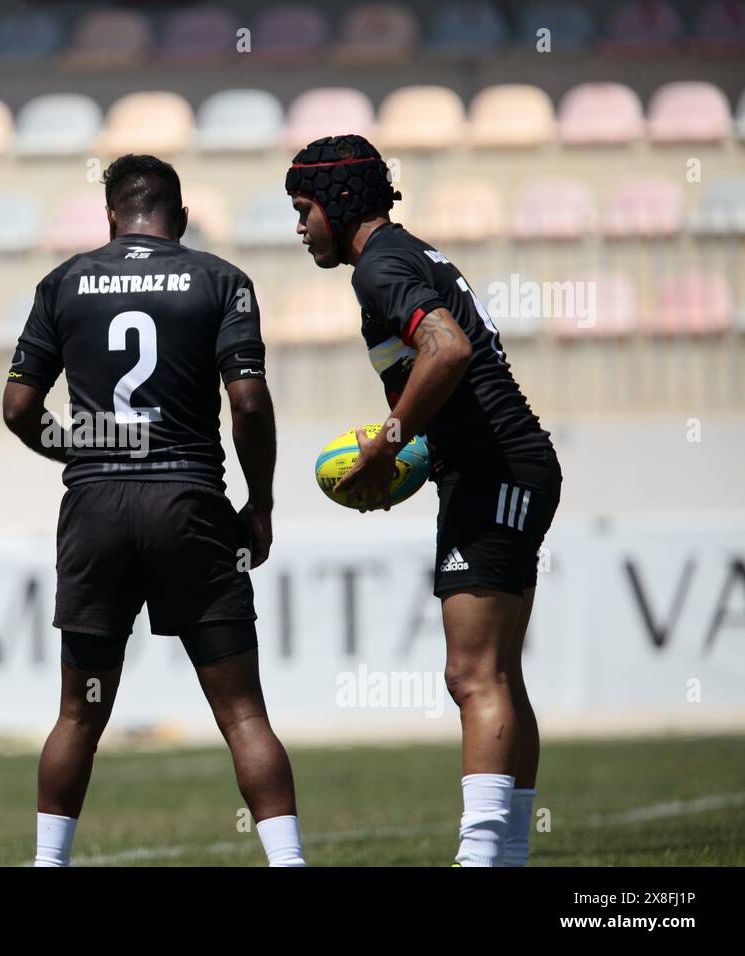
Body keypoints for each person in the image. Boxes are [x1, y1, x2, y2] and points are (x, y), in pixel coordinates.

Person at [3, 153, 305, 867]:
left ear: (110, 215)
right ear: (184, 217)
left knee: (78, 712)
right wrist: (258, 504)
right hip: (190, 503)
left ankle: (49, 864)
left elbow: (19, 408)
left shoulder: (65, 282)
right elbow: (250, 401)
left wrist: (86, 450)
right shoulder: (221, 280)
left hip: (97, 509)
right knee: (242, 713)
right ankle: (289, 864)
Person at [286, 134, 562, 866]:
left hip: (497, 469)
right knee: (496, 673)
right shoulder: (406, 254)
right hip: (504, 467)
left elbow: (447, 350)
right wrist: (413, 457)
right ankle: (506, 856)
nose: (300, 226)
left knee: (471, 675)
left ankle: (482, 857)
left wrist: (387, 441)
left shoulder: (379, 267)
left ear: (339, 203)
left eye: (304, 208)